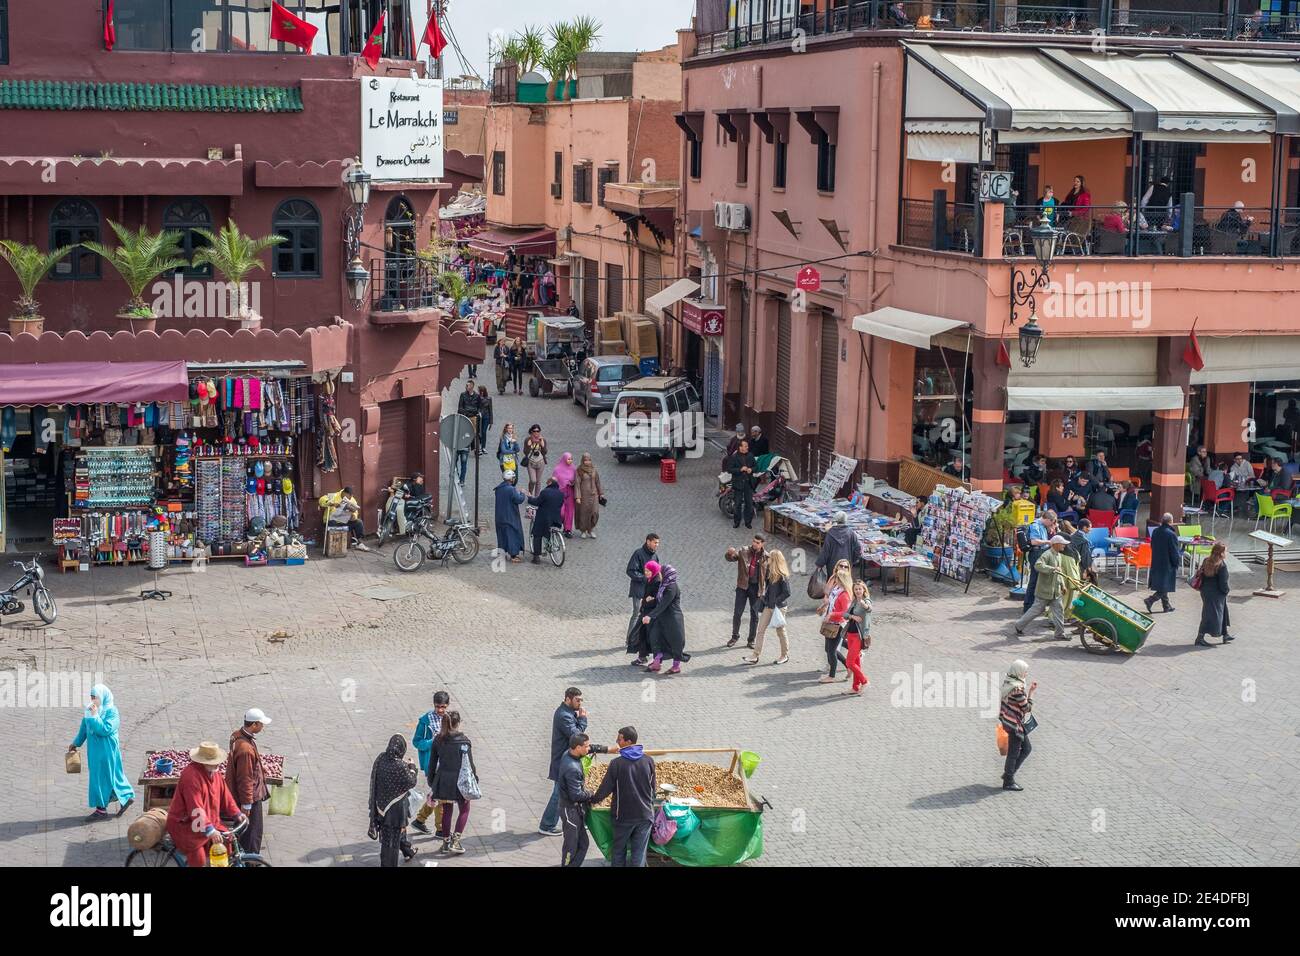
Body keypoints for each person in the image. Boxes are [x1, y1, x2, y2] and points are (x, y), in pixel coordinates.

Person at [165, 740, 245, 867]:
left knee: (227, 841)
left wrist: (237, 813)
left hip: (208, 821)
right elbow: (195, 808)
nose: (217, 764)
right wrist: (210, 830)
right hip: (187, 826)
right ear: (202, 762)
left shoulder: (215, 772)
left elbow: (225, 796)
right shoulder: (191, 777)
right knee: (199, 859)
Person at [586, 726, 656, 867]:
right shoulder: (648, 761)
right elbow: (652, 790)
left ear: (628, 742)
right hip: (645, 816)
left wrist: (592, 799)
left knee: (619, 851)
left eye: (619, 739)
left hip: (623, 817)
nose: (616, 741)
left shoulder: (617, 764)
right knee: (639, 853)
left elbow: (605, 789)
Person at [68, 683, 135, 821]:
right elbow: (84, 730)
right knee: (102, 776)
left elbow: (104, 730)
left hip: (108, 750)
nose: (93, 701)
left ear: (103, 697)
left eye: (95, 698)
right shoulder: (89, 711)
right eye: (91, 697)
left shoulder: (112, 712)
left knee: (108, 775)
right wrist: (75, 743)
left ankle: (103, 808)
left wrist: (94, 716)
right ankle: (124, 798)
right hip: (94, 752)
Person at [427, 711, 477, 855]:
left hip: (443, 781)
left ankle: (446, 842)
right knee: (465, 809)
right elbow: (470, 766)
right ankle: (456, 840)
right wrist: (475, 780)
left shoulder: (438, 740)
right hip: (461, 782)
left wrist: (432, 783)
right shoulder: (464, 741)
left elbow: (432, 764)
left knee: (447, 811)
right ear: (458, 723)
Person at [226, 707, 271, 855]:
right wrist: (247, 803)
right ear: (254, 725)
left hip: (240, 795)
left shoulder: (236, 736)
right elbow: (245, 779)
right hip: (249, 797)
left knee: (243, 828)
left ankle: (240, 853)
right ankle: (251, 860)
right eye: (261, 724)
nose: (262, 727)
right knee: (253, 831)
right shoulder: (245, 749)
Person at [369, 734, 419, 865]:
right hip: (396, 811)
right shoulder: (400, 766)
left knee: (390, 835)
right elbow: (411, 782)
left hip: (381, 805)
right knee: (391, 842)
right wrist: (412, 768)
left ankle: (408, 850)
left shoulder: (380, 758)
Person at [1013, 534, 1069, 640]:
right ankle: (1019, 625)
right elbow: (1038, 565)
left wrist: (1062, 585)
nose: (1064, 546)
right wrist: (1052, 568)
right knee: (1036, 610)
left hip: (1055, 591)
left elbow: (1059, 572)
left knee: (1059, 611)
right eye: (1062, 544)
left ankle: (1060, 634)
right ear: (1056, 544)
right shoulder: (1047, 554)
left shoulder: (1059, 555)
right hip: (1044, 591)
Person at [411, 691, 451, 834]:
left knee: (435, 794)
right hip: (432, 765)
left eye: (443, 707)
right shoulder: (425, 721)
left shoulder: (449, 718)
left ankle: (420, 820)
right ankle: (440, 829)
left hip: (446, 763)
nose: (440, 710)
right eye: (437, 706)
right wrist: (431, 742)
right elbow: (416, 742)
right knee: (441, 797)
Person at [557, 733, 599, 867]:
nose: (588, 750)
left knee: (583, 844)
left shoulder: (568, 753)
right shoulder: (572, 768)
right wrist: (591, 793)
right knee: (571, 847)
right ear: (577, 747)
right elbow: (576, 795)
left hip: (574, 810)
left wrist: (606, 749)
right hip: (570, 812)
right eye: (586, 747)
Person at [746, 548, 791, 665]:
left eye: (770, 558)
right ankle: (755, 655)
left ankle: (784, 655)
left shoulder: (782, 576)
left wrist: (775, 601)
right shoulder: (769, 573)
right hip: (768, 606)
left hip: (778, 607)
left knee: (780, 631)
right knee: (760, 630)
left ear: (774, 560)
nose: (768, 559)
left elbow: (787, 593)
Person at [998, 660, 1037, 792]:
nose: (1026, 673)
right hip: (1014, 725)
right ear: (1019, 672)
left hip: (1008, 721)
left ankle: (1008, 774)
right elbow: (1027, 708)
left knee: (1025, 748)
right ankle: (1008, 780)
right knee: (1016, 752)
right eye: (1025, 671)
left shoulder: (1008, 682)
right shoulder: (1017, 689)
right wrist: (1031, 693)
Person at [725, 534, 769, 649]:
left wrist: (766, 591)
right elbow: (732, 558)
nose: (755, 544)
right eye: (754, 541)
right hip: (742, 587)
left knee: (754, 615)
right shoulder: (743, 551)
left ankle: (751, 640)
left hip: (756, 589)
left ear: (762, 544)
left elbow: (767, 576)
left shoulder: (766, 557)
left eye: (758, 542)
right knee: (737, 613)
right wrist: (729, 553)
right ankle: (735, 636)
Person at [644, 562, 689, 673]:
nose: (659, 575)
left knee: (675, 642)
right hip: (662, 618)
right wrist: (653, 599)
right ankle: (657, 663)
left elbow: (664, 604)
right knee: (655, 637)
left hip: (673, 620)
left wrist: (650, 616)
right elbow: (660, 600)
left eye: (661, 573)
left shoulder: (671, 588)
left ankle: (676, 666)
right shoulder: (663, 585)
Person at [817, 559, 853, 683]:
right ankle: (849, 666)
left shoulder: (844, 595)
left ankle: (831, 676)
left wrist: (832, 614)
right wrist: (823, 607)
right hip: (830, 622)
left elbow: (845, 612)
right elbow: (829, 600)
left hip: (838, 624)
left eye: (836, 578)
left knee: (832, 651)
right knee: (829, 649)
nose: (834, 580)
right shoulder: (836, 589)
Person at [625, 533, 660, 651]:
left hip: (650, 591)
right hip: (639, 590)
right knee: (636, 614)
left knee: (645, 615)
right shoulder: (638, 554)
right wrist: (644, 578)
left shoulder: (655, 556)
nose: (657, 545)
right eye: (655, 542)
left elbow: (657, 572)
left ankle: (641, 640)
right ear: (648, 541)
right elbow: (630, 570)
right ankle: (630, 639)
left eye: (658, 543)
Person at [1195, 541, 1233, 648]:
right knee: (1208, 615)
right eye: (1225, 551)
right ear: (1221, 553)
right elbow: (1223, 584)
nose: (1226, 553)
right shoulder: (1221, 566)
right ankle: (1200, 637)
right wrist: (1226, 591)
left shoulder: (1206, 560)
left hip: (1206, 592)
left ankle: (1225, 634)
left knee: (1223, 611)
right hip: (1217, 594)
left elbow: (1202, 575)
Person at [1145, 512, 1182, 614]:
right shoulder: (1171, 534)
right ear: (1171, 521)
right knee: (1164, 585)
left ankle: (1166, 606)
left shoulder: (1156, 531)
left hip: (1157, 561)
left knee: (1163, 584)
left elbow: (1152, 546)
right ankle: (1150, 600)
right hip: (1167, 564)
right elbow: (1174, 551)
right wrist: (1176, 563)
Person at [1020, 511, 1058, 611]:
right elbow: (1034, 541)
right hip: (1036, 553)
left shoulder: (1043, 526)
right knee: (1034, 579)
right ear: (1047, 519)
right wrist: (1048, 542)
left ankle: (1035, 604)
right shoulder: (1035, 525)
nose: (1052, 524)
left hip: (1041, 552)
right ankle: (1028, 605)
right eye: (1051, 522)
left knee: (1039, 579)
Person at [842, 579, 872, 696]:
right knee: (856, 662)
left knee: (849, 662)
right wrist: (853, 616)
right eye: (856, 589)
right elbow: (845, 615)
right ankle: (855, 687)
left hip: (859, 636)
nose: (858, 591)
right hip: (850, 634)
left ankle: (865, 681)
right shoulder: (854, 602)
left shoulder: (866, 601)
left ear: (864, 589)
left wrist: (863, 603)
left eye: (860, 589)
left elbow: (869, 608)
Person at [527, 477, 565, 564]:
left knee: (537, 535)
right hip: (556, 518)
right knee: (550, 531)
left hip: (544, 518)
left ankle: (536, 557)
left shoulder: (545, 492)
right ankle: (551, 544)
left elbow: (536, 502)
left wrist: (529, 497)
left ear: (550, 483)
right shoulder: (561, 494)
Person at [816, 510, 863, 579]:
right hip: (846, 563)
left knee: (833, 583)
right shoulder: (851, 533)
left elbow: (825, 551)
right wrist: (852, 560)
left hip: (832, 565)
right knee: (845, 583)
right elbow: (858, 549)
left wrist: (819, 564)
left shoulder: (830, 533)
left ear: (836, 520)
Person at [725, 437, 758, 530]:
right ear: (740, 447)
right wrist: (740, 469)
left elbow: (756, 466)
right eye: (745, 446)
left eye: (747, 446)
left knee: (749, 504)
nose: (747, 447)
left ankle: (748, 522)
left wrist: (751, 469)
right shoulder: (734, 457)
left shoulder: (750, 455)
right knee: (738, 504)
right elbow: (729, 469)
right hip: (738, 483)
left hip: (748, 483)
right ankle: (737, 522)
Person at [493, 474, 526, 562]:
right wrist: (522, 493)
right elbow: (519, 499)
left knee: (501, 535)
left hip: (500, 516)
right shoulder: (511, 489)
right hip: (509, 516)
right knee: (512, 535)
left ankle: (502, 552)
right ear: (511, 479)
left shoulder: (498, 489)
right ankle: (513, 555)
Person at [326, 486, 369, 551]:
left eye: (350, 497)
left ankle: (360, 543)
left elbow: (355, 512)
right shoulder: (334, 495)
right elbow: (322, 500)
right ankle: (334, 545)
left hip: (345, 522)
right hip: (333, 521)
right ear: (343, 493)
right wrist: (331, 503)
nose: (349, 498)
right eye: (348, 497)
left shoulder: (352, 500)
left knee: (359, 522)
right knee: (332, 522)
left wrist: (353, 516)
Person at [574, 453, 604, 539]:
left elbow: (597, 482)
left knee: (595, 512)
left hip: (594, 494)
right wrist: (578, 497)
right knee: (584, 513)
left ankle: (591, 528)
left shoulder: (594, 470)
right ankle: (583, 530)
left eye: (589, 460)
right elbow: (577, 484)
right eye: (585, 460)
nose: (587, 462)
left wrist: (601, 492)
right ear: (583, 461)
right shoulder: (579, 470)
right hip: (584, 495)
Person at [551, 452, 578, 536]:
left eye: (571, 459)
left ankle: (567, 529)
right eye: (568, 459)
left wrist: (572, 483)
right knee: (561, 512)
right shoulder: (557, 469)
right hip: (560, 492)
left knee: (569, 511)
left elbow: (576, 480)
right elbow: (554, 481)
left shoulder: (573, 469)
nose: (570, 461)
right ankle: (558, 524)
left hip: (570, 491)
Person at [522, 424, 548, 497]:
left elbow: (545, 452)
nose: (536, 433)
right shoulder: (528, 439)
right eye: (534, 431)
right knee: (533, 480)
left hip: (540, 462)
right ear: (531, 431)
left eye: (538, 431)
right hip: (531, 462)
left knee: (538, 481)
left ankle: (536, 497)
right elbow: (525, 452)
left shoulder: (542, 439)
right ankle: (530, 494)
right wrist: (528, 446)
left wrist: (543, 445)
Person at [476, 385, 494, 455]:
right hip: (479, 417)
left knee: (483, 432)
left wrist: (491, 422)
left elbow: (490, 410)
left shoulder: (489, 399)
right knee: (479, 432)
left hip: (486, 417)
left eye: (479, 391)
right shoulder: (477, 398)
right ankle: (479, 446)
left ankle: (483, 447)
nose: (479, 392)